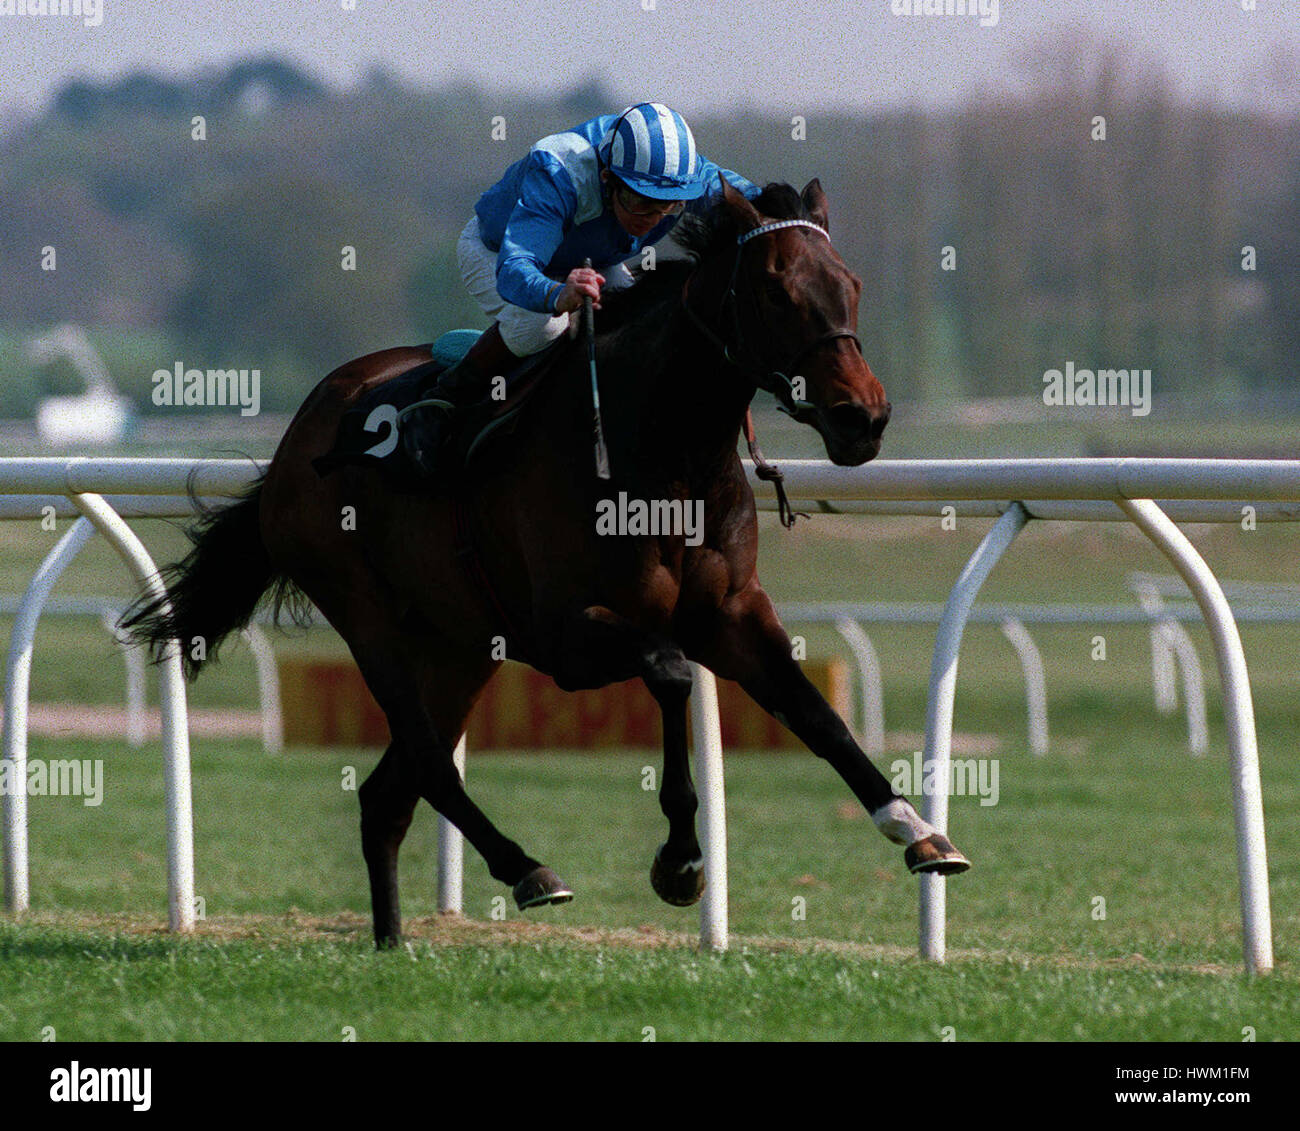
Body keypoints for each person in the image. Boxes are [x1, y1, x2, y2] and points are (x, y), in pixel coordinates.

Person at [403, 102, 759, 468]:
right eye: (640, 202)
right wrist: (559, 294)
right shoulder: (558, 172)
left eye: (667, 208)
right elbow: (515, 269)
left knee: (642, 321)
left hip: (593, 259)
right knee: (542, 325)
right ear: (607, 178)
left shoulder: (685, 176)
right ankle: (442, 400)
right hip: (497, 254)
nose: (652, 220)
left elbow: (761, 207)